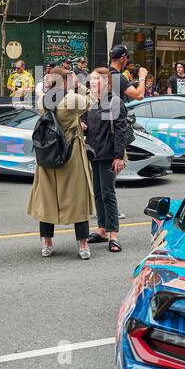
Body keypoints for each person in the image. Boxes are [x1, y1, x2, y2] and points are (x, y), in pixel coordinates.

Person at [29, 70, 95, 260]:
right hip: (70, 153)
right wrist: (78, 85)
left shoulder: (43, 101)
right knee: (77, 198)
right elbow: (92, 101)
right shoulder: (72, 99)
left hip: (48, 153)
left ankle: (47, 243)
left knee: (47, 198)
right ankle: (83, 245)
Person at [84, 67, 126, 253]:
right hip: (94, 153)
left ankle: (113, 235)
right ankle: (101, 229)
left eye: (96, 79)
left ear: (106, 82)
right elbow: (88, 127)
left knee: (108, 193)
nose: (93, 82)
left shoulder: (115, 102)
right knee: (98, 193)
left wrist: (119, 156)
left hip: (109, 154)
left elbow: (120, 132)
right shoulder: (91, 103)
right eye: (91, 79)